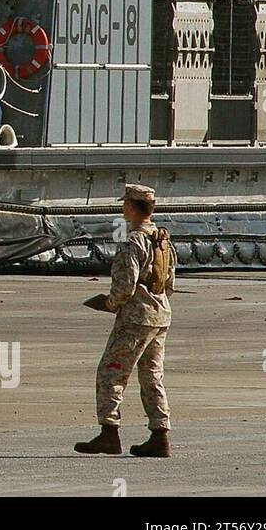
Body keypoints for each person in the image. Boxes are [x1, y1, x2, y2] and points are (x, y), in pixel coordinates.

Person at [76, 183, 176, 457]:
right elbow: (169, 283)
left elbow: (124, 286)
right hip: (160, 314)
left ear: (131, 207)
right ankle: (160, 434)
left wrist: (108, 304)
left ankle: (109, 432)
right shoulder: (162, 239)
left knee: (111, 372)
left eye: (125, 204)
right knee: (152, 376)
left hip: (136, 318)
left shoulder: (133, 241)